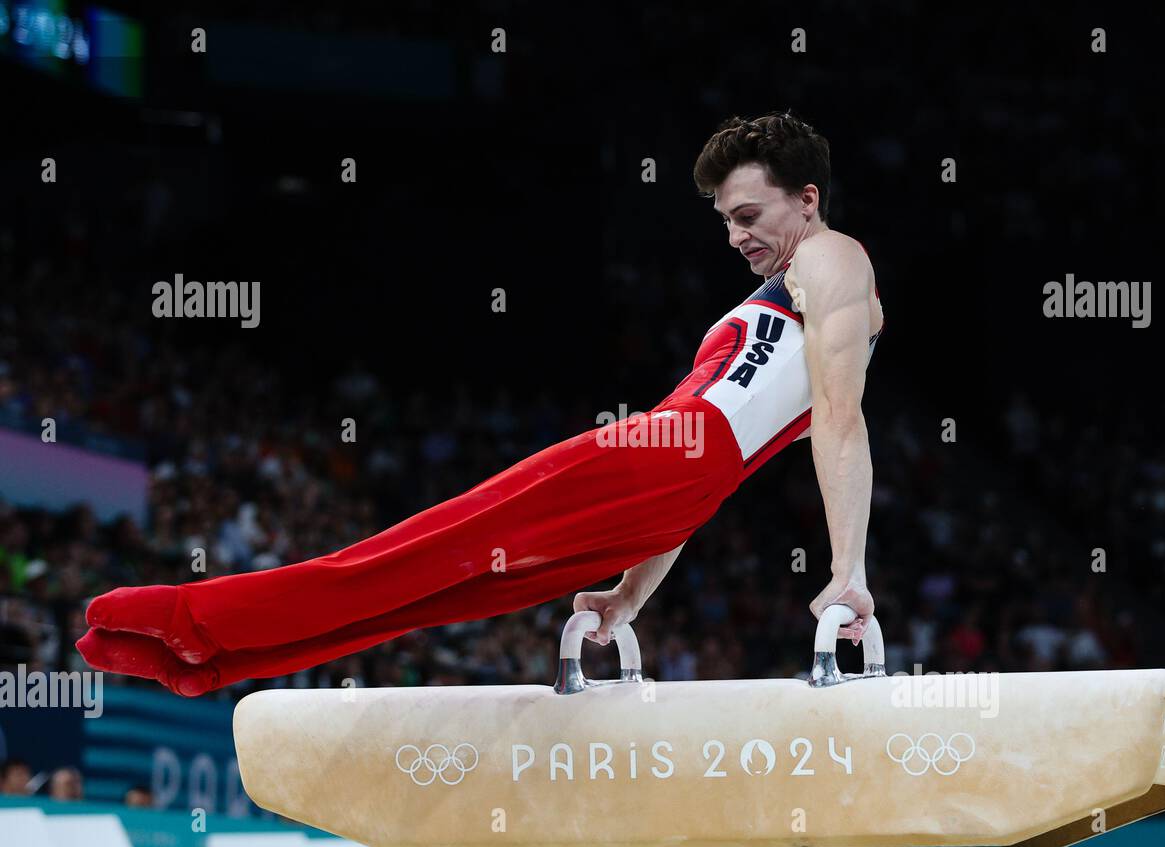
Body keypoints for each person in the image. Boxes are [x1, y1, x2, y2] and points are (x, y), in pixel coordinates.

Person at [77, 111, 885, 696]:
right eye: (724, 222)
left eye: (749, 216)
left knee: (429, 553)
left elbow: (840, 422)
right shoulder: (795, 284)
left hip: (669, 456)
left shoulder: (833, 260)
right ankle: (216, 662)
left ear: (807, 200)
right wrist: (630, 595)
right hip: (672, 489)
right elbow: (708, 477)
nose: (736, 236)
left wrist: (847, 573)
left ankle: (194, 619)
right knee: (446, 588)